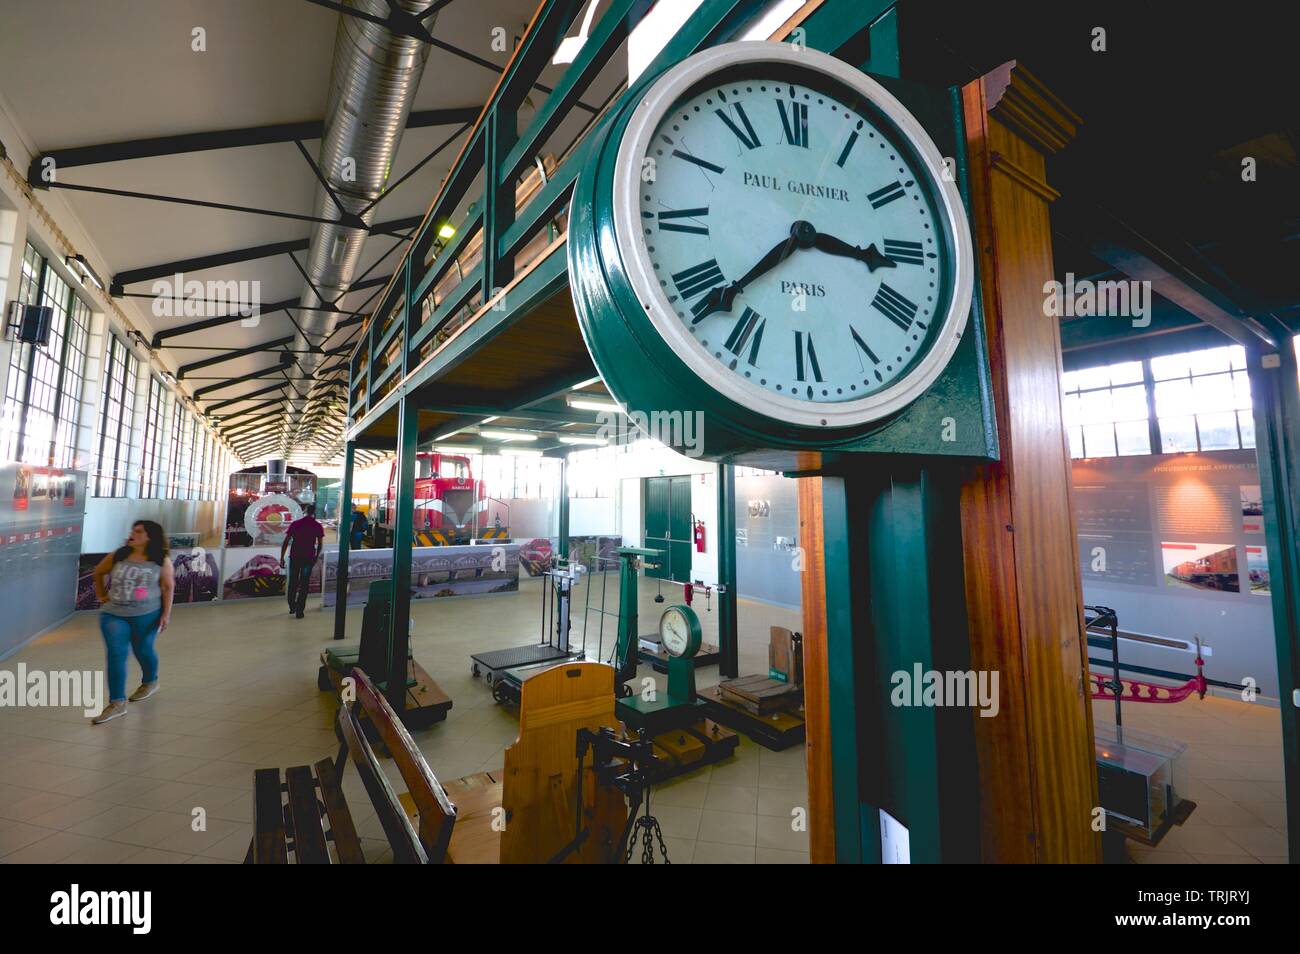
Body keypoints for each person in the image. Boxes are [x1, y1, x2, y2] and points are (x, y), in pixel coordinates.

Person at [90, 520, 174, 724]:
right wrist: (102, 595)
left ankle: (150, 681)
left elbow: (167, 587)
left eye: (138, 532)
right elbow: (99, 572)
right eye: (133, 530)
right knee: (116, 654)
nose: (132, 534)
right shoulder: (119, 554)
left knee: (143, 650)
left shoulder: (160, 560)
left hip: (146, 614)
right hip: (114, 613)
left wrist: (166, 614)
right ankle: (117, 703)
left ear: (150, 537)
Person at [281, 503, 324, 619]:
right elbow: (320, 544)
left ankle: (292, 606)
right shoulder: (317, 525)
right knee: (304, 584)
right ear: (314, 512)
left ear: (304, 512)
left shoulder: (296, 524)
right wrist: (316, 557)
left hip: (295, 556)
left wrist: (281, 558)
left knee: (293, 582)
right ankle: (300, 610)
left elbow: (286, 541)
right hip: (308, 558)